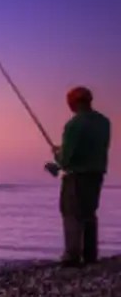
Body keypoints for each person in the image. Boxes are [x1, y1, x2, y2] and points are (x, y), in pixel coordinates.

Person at [46, 86, 110, 267]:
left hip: (77, 176)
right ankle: (90, 255)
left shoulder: (74, 124)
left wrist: (57, 156)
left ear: (74, 103)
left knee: (72, 213)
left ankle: (72, 256)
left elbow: (66, 160)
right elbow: (91, 147)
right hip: (97, 172)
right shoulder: (103, 122)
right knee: (89, 213)